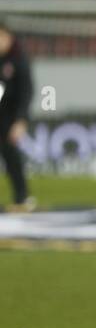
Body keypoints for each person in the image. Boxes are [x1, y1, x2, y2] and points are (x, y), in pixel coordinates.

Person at [0, 22, 33, 210]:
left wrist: (21, 120)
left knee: (11, 155)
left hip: (11, 116)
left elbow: (26, 92)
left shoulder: (19, 59)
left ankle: (22, 196)